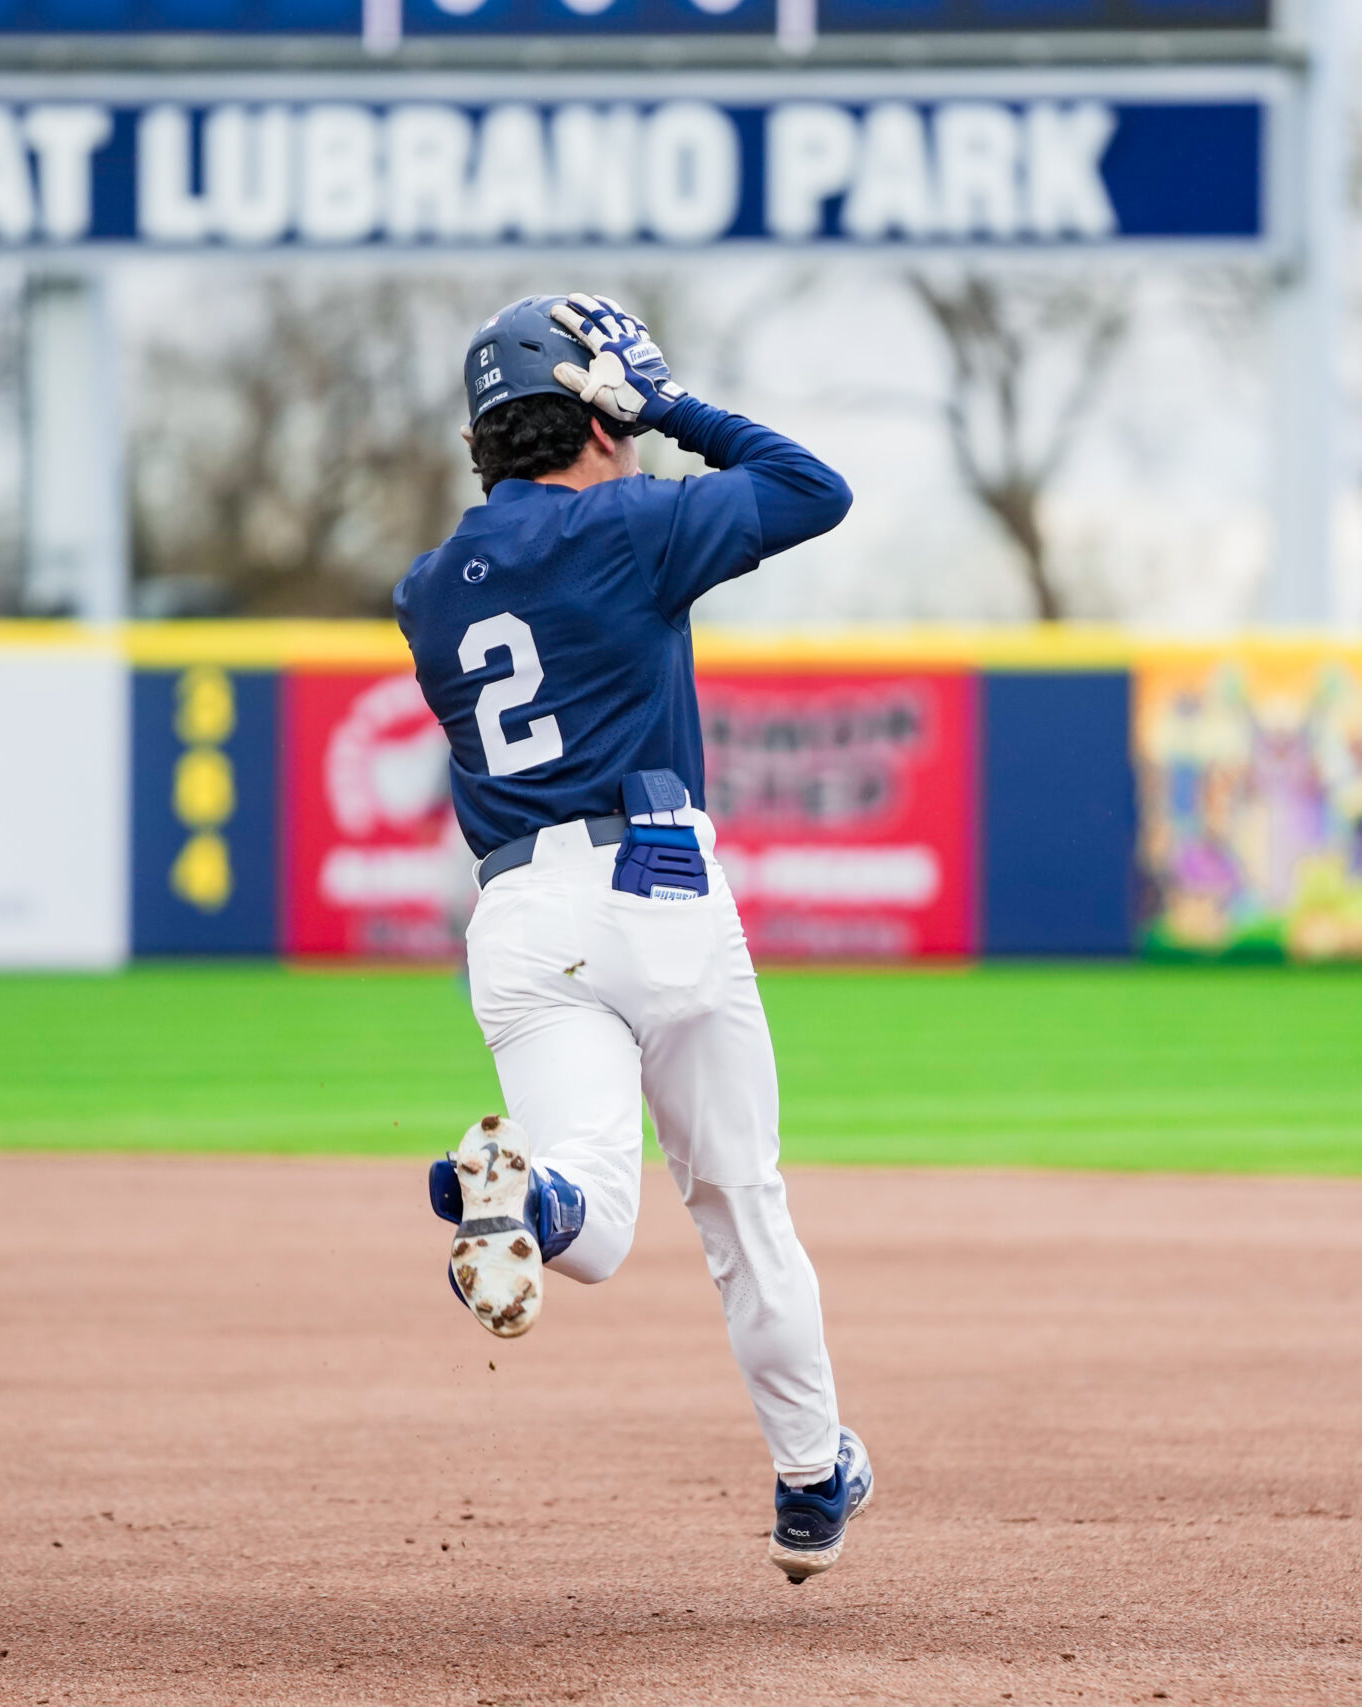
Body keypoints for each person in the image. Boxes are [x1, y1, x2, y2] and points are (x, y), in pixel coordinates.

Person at [397, 293, 869, 1583]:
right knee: (741, 1211)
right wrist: (665, 407)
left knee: (591, 1220)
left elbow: (529, 568)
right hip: (658, 886)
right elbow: (810, 489)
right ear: (596, 410)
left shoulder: (426, 591)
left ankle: (519, 1202)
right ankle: (808, 1482)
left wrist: (605, 415)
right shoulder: (633, 523)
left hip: (519, 917)